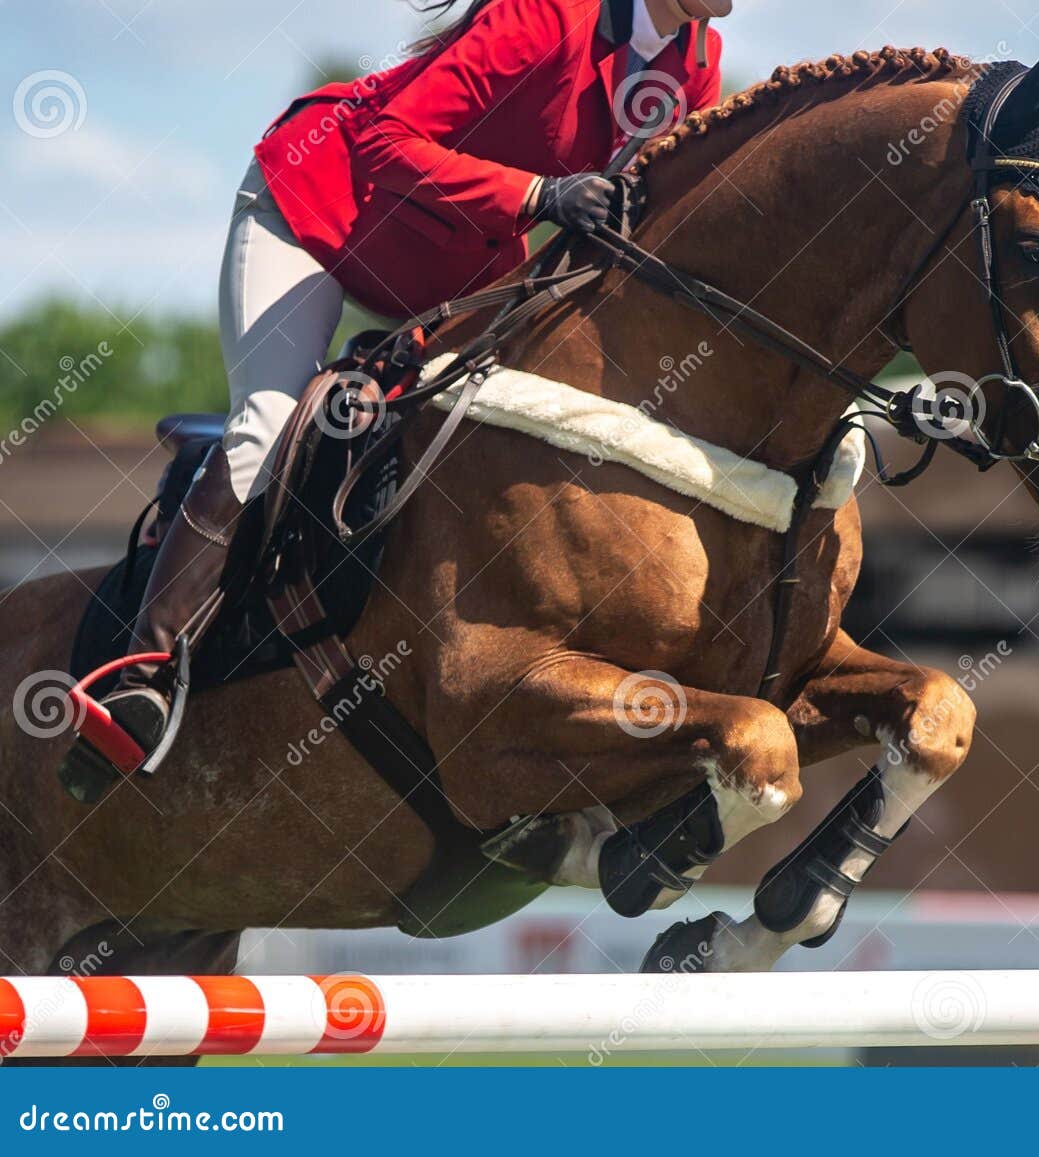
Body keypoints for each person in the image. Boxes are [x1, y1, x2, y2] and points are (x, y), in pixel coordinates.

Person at [67, 0, 728, 773]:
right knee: (271, 422)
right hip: (322, 209)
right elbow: (381, 137)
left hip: (453, 267)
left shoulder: (698, 64)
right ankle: (138, 671)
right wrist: (538, 198)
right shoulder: (548, 14)